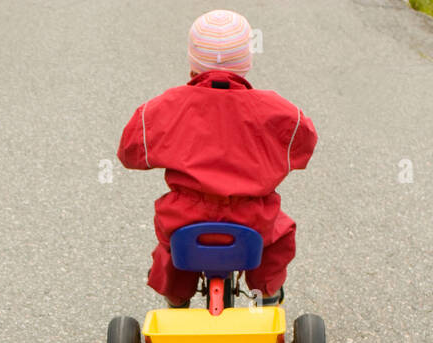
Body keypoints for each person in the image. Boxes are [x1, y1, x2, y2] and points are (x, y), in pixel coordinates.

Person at [118, 9, 318, 307]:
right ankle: (268, 292)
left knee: (170, 249)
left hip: (186, 217)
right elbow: (304, 142)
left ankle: (176, 299)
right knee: (278, 237)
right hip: (252, 219)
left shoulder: (164, 108)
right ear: (246, 65)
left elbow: (129, 152)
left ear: (192, 66)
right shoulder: (276, 110)